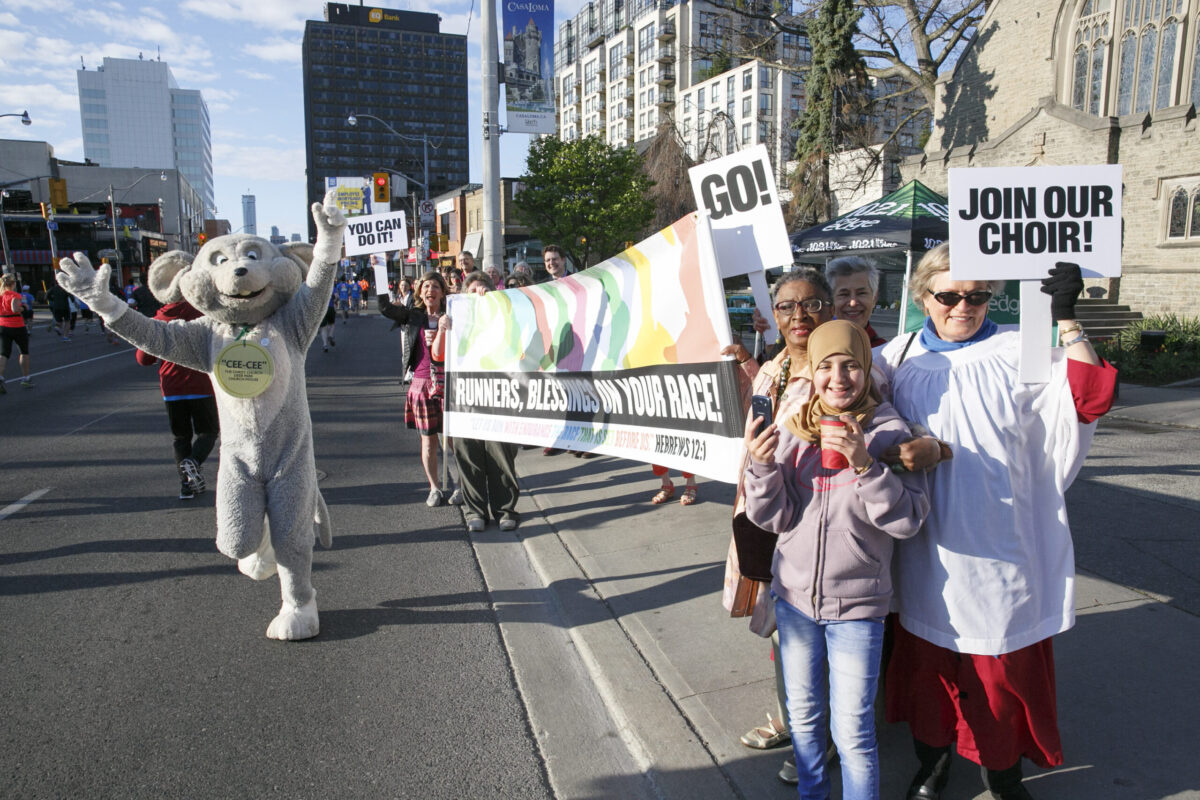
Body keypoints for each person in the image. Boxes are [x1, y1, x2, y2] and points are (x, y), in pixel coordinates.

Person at [877, 245, 1117, 800]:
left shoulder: (1020, 351)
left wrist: (1066, 317)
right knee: (929, 671)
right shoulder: (896, 358)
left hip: (1002, 547)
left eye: (979, 295)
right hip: (927, 550)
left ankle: (1002, 775)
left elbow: (1088, 396)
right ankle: (932, 765)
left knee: (1000, 677)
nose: (964, 306)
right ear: (923, 298)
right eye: (950, 296)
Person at [743, 320, 930, 800]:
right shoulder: (794, 428)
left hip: (859, 610)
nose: (839, 377)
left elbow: (908, 521)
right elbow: (774, 518)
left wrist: (865, 463)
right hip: (795, 603)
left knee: (853, 733)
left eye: (850, 365)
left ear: (867, 370)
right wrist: (760, 465)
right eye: (826, 365)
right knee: (805, 721)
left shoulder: (891, 434)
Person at [721, 268, 835, 783]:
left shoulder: (839, 370)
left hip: (806, 523)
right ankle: (797, 722)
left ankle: (818, 740)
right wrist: (746, 362)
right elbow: (760, 415)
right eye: (788, 306)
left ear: (828, 308)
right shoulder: (774, 368)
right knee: (777, 628)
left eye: (811, 305)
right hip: (759, 513)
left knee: (806, 637)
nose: (799, 316)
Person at [377, 270, 463, 507]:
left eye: (435, 286)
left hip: (451, 383)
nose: (430, 291)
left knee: (455, 440)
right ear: (419, 292)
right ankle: (434, 488)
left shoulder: (456, 313)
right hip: (422, 384)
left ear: (443, 291)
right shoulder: (414, 316)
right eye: (425, 287)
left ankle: (462, 486)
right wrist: (380, 270)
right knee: (428, 442)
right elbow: (384, 308)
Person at [450, 271, 521, 532]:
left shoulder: (504, 321)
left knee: (500, 456)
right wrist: (446, 327)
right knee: (469, 457)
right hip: (464, 399)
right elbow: (437, 355)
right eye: (472, 292)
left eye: (483, 291)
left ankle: (505, 510)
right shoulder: (454, 323)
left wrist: (492, 307)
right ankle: (475, 512)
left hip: (497, 398)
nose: (477, 296)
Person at [135, 299, 220, 500]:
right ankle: (194, 462)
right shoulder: (203, 314)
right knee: (208, 432)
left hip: (171, 386)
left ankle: (186, 486)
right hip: (201, 384)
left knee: (181, 437)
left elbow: (143, 359)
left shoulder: (158, 319)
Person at [825, 256, 886, 347]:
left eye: (861, 293)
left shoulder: (886, 353)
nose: (853, 303)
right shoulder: (816, 347)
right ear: (830, 299)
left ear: (874, 298)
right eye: (844, 294)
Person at [0, 273, 34, 391]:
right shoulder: (15, 295)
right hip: (17, 325)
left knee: (4, 353)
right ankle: (25, 378)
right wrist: (23, 307)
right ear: (13, 284)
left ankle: (0, 376)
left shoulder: (1, 295)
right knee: (24, 351)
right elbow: (15, 308)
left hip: (3, 325)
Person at [318, 286, 337, 352]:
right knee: (332, 324)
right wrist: (335, 301)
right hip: (330, 308)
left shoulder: (320, 289)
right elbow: (336, 297)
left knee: (323, 328)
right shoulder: (332, 288)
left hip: (322, 309)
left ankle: (325, 345)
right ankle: (330, 335)